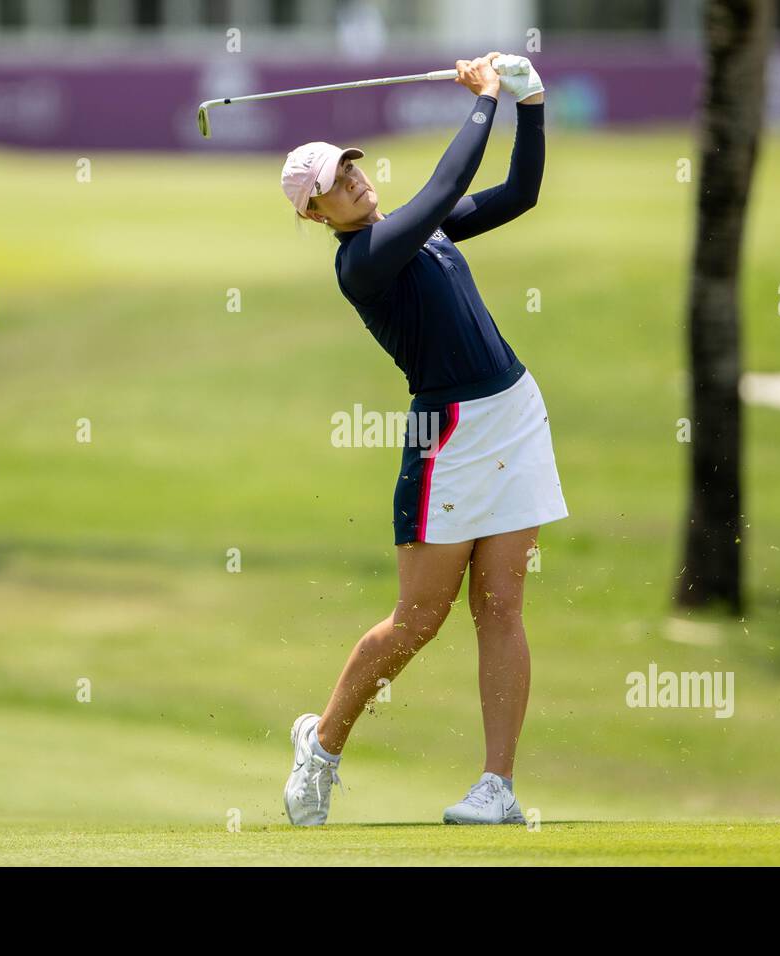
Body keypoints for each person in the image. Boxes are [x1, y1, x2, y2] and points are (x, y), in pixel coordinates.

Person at [278, 53, 564, 825]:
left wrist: (530, 105)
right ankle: (324, 745)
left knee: (501, 605)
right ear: (315, 215)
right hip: (450, 440)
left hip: (515, 412)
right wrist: (484, 101)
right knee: (418, 622)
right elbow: (442, 188)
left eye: (351, 169)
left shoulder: (416, 233)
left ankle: (496, 787)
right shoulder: (363, 261)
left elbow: (521, 194)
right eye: (335, 185)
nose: (355, 181)